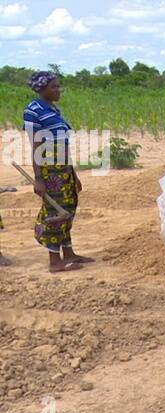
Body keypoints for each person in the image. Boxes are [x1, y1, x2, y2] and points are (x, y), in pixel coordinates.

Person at [23, 71, 92, 273]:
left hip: (63, 167)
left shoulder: (53, 110)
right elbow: (36, 146)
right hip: (49, 169)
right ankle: (55, 261)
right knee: (56, 210)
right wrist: (38, 179)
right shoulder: (33, 111)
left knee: (69, 206)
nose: (58, 90)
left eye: (58, 86)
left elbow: (63, 145)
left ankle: (68, 253)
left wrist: (73, 174)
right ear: (42, 89)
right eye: (54, 86)